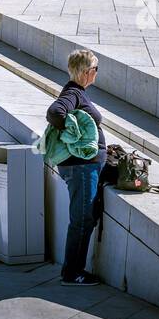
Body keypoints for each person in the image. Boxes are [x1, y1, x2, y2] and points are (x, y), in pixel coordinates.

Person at [47, 49, 107, 287]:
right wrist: (75, 135)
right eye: (95, 69)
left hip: (84, 168)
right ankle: (72, 273)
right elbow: (55, 112)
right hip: (81, 169)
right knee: (81, 219)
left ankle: (74, 270)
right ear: (86, 72)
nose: (96, 74)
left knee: (84, 218)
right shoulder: (73, 93)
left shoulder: (76, 93)